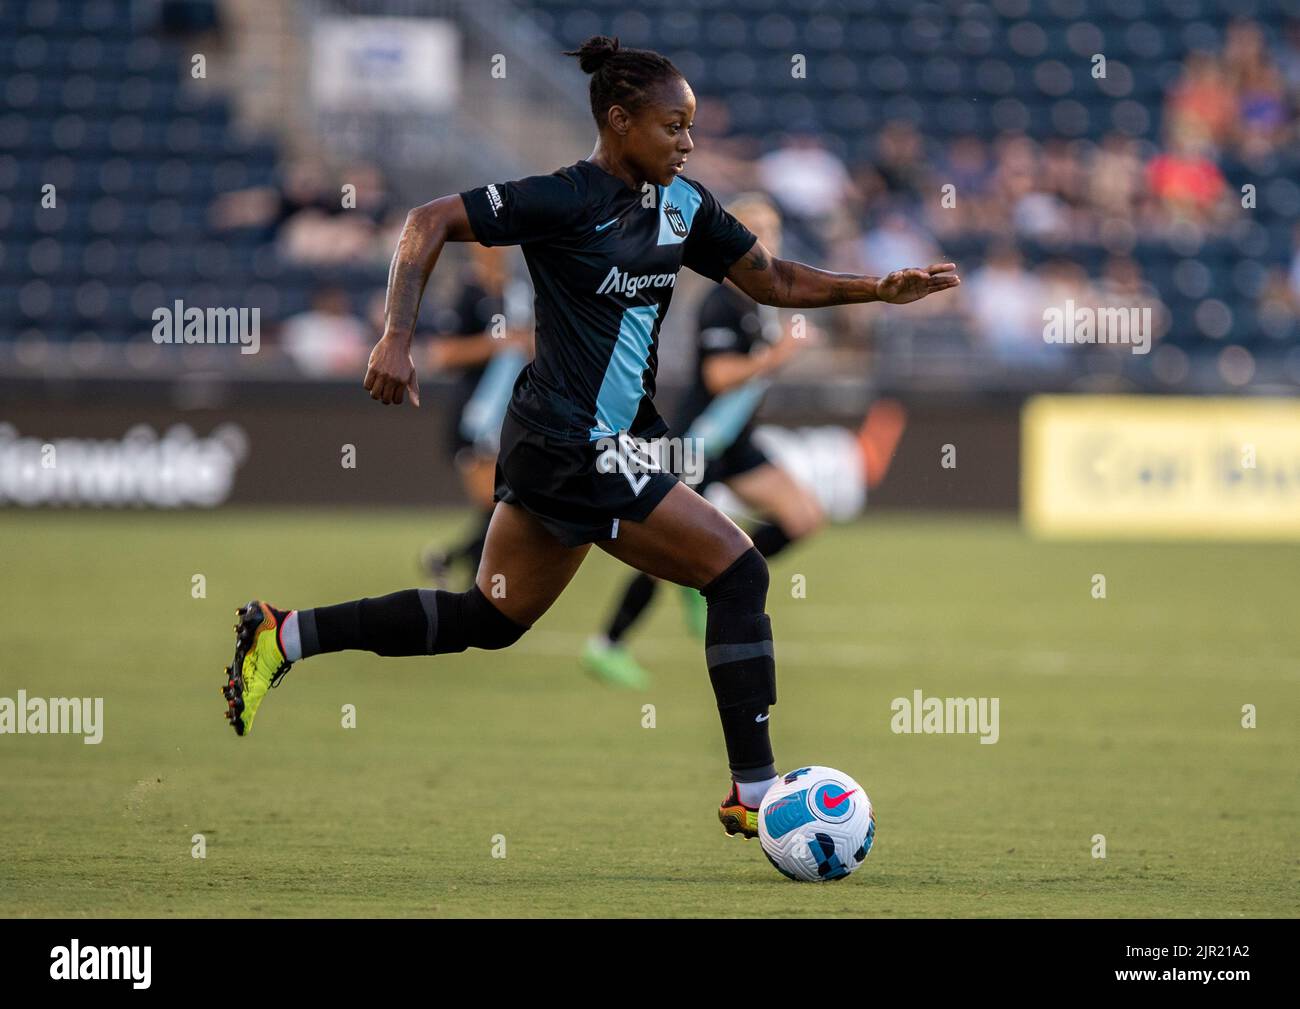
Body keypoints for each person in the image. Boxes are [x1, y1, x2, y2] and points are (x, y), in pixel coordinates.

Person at [219, 35, 959, 841]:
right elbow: (426, 222)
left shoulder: (686, 206)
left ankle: (284, 632)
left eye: (692, 126)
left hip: (587, 442)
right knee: (738, 571)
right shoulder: (563, 198)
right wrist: (396, 334)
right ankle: (754, 790)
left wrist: (877, 290)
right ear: (618, 121)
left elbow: (772, 278)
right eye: (672, 126)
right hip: (570, 440)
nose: (687, 141)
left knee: (489, 620)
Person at [582, 192, 821, 688]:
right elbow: (719, 376)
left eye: (771, 229)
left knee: (803, 516)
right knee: (659, 559)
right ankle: (606, 645)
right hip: (697, 445)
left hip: (735, 443)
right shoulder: (720, 302)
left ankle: (712, 575)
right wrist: (781, 355)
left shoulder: (761, 300)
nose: (765, 239)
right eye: (754, 229)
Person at [420, 244, 532, 587]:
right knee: (497, 504)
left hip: (512, 414)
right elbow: (441, 355)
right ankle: (474, 585)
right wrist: (500, 343)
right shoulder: (468, 293)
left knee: (510, 504)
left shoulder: (520, 291)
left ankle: (450, 561)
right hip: (476, 414)